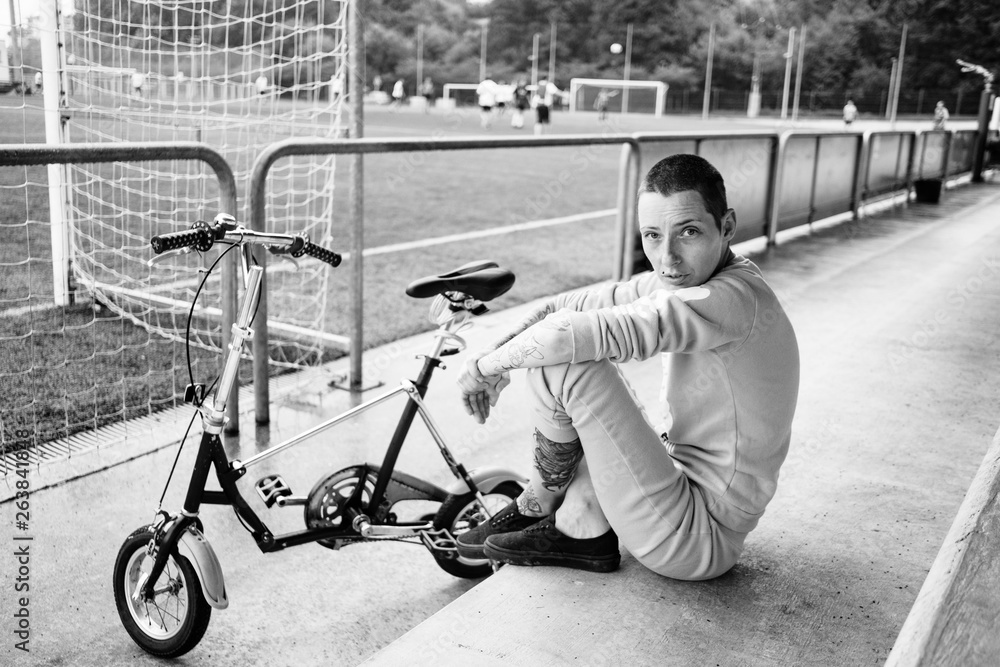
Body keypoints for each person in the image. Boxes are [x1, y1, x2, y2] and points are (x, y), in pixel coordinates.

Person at [455, 153, 800, 580]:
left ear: (726, 227)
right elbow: (565, 307)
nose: (667, 258)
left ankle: (543, 506)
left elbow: (564, 336)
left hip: (698, 538)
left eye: (688, 232)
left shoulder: (732, 298)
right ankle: (579, 516)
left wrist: (486, 367)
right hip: (675, 494)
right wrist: (492, 355)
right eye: (652, 236)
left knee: (565, 363)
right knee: (561, 356)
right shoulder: (690, 277)